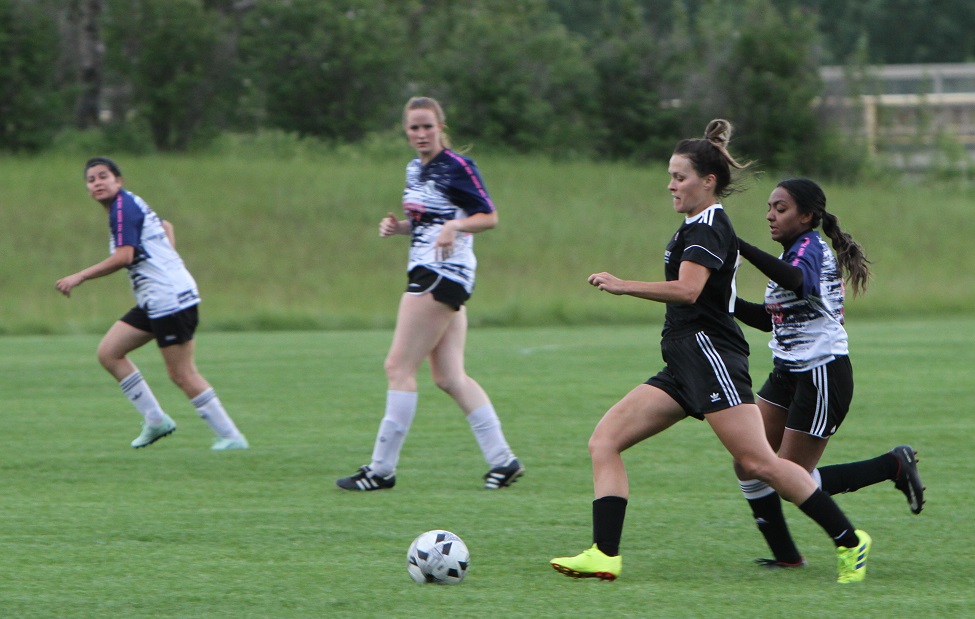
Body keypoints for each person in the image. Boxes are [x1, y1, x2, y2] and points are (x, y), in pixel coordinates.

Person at [550, 120, 871, 584]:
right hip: (682, 362)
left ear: (708, 181)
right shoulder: (694, 226)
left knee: (760, 463)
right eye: (670, 175)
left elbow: (687, 290)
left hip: (710, 356)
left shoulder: (710, 226)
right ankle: (605, 553)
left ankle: (849, 540)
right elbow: (707, 294)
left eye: (679, 177)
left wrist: (623, 286)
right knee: (604, 441)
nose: (671, 185)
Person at [731, 178, 924, 568]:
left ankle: (893, 466)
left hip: (822, 376)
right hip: (787, 372)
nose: (770, 215)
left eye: (780, 208)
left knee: (789, 478)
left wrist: (740, 247)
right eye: (769, 207)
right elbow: (773, 321)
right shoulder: (790, 254)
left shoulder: (809, 250)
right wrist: (726, 301)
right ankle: (785, 557)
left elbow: (800, 284)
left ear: (807, 216)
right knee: (748, 459)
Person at [336, 96, 523, 491]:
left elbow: (488, 216)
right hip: (435, 272)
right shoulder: (414, 169)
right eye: (414, 128)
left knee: (398, 368)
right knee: (449, 376)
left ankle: (380, 470)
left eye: (427, 126)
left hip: (440, 273)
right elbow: (432, 219)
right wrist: (400, 227)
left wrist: (455, 230)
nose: (421, 134)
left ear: (441, 127)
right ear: (406, 132)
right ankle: (503, 461)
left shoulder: (458, 166)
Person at [55, 157, 248, 451]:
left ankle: (231, 437)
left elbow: (124, 257)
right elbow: (165, 226)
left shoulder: (121, 208)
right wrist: (166, 260)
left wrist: (80, 276)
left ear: (118, 181)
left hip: (169, 299)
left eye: (103, 176)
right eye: (91, 179)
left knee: (182, 374)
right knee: (110, 353)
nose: (97, 183)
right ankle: (156, 420)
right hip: (157, 298)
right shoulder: (128, 203)